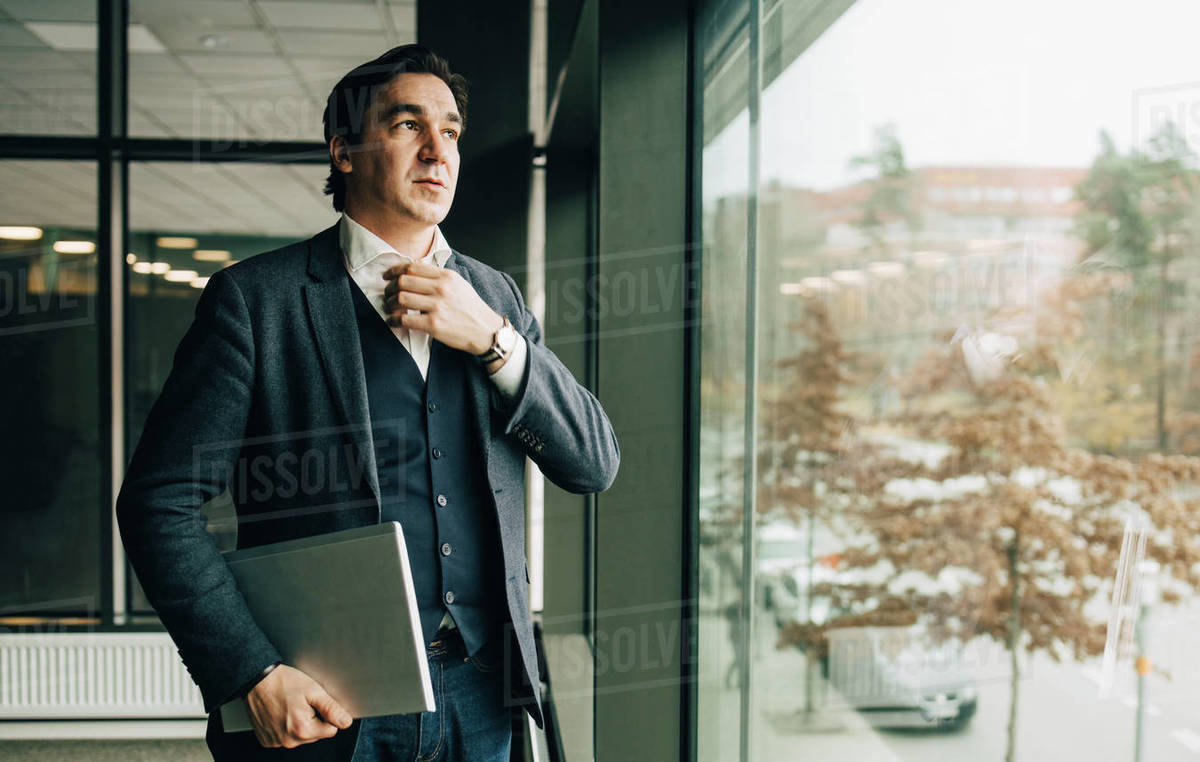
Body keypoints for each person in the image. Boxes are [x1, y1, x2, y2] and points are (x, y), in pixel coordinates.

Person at [116, 44, 619, 762]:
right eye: (407, 124)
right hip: (328, 706)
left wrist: (495, 341)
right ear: (344, 151)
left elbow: (593, 463)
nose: (436, 149)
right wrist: (252, 672)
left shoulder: (496, 299)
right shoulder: (257, 303)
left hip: (484, 702)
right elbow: (157, 502)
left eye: (449, 130)